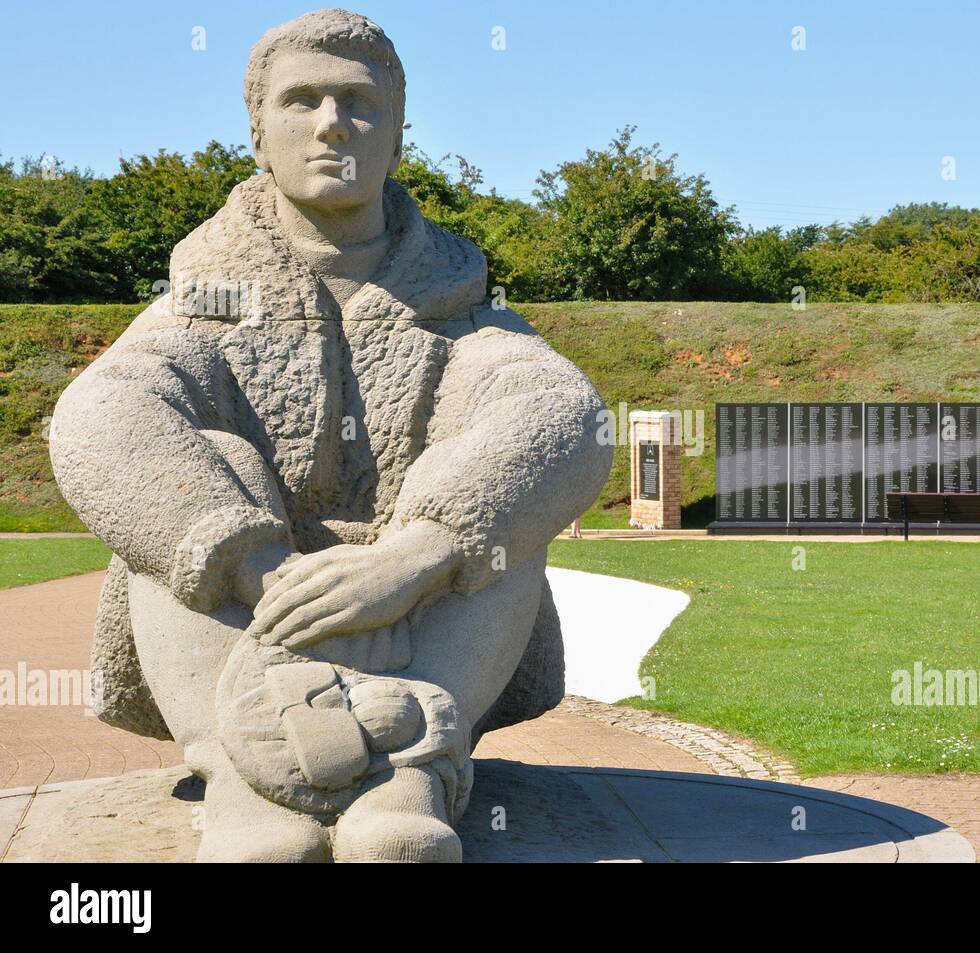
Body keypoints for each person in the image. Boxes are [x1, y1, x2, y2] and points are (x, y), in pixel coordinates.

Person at [50, 8, 611, 862]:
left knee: (490, 500)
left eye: (358, 103)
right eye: (301, 100)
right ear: (257, 132)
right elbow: (104, 414)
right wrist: (265, 569)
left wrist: (413, 554)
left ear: (396, 136)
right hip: (251, 615)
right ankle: (249, 771)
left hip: (426, 624)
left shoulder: (462, 308)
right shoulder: (205, 297)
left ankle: (411, 770)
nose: (330, 124)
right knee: (198, 473)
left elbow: (558, 411)